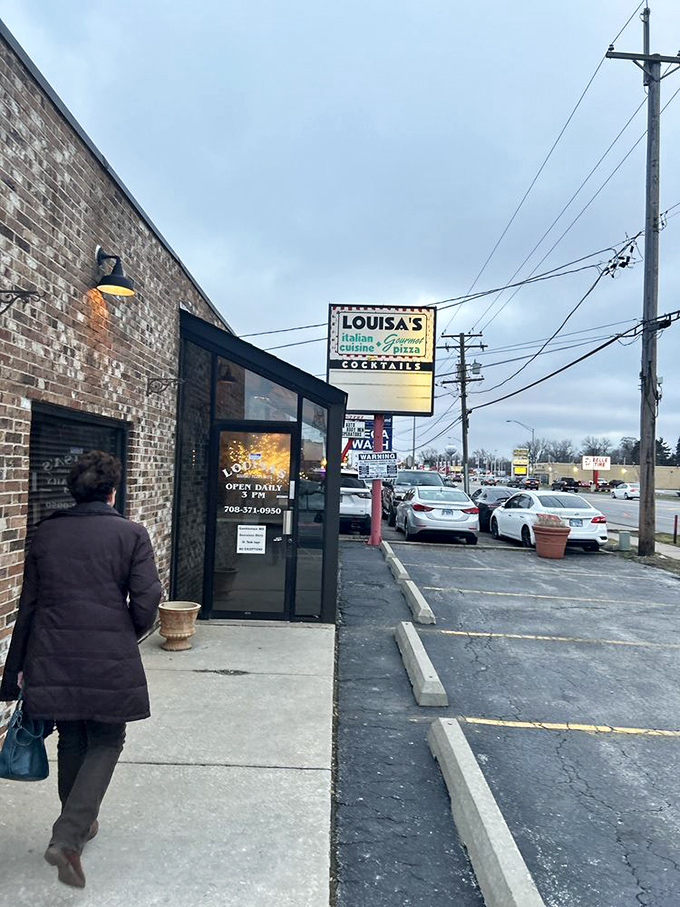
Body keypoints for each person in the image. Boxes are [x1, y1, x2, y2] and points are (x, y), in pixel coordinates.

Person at [0, 450, 162, 889]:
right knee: (108, 736)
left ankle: (80, 823)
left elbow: (27, 605)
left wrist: (13, 670)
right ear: (113, 491)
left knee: (72, 734)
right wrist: (120, 630)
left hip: (50, 652)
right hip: (109, 652)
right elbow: (147, 604)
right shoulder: (131, 534)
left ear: (73, 491)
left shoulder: (46, 535)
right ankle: (69, 834)